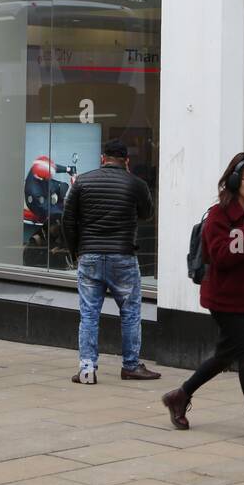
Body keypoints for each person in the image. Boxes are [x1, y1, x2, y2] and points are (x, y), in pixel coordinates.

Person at [161, 152, 244, 444]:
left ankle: (179, 396)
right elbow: (220, 256)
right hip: (223, 298)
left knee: (224, 355)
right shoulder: (219, 215)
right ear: (234, 182)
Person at [61, 139, 159, 383]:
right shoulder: (136, 183)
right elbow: (148, 214)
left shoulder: (83, 181)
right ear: (127, 161)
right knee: (130, 313)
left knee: (89, 314)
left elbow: (67, 220)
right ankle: (131, 366)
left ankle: (87, 369)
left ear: (102, 158)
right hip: (123, 257)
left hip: (90, 256)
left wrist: (76, 251)